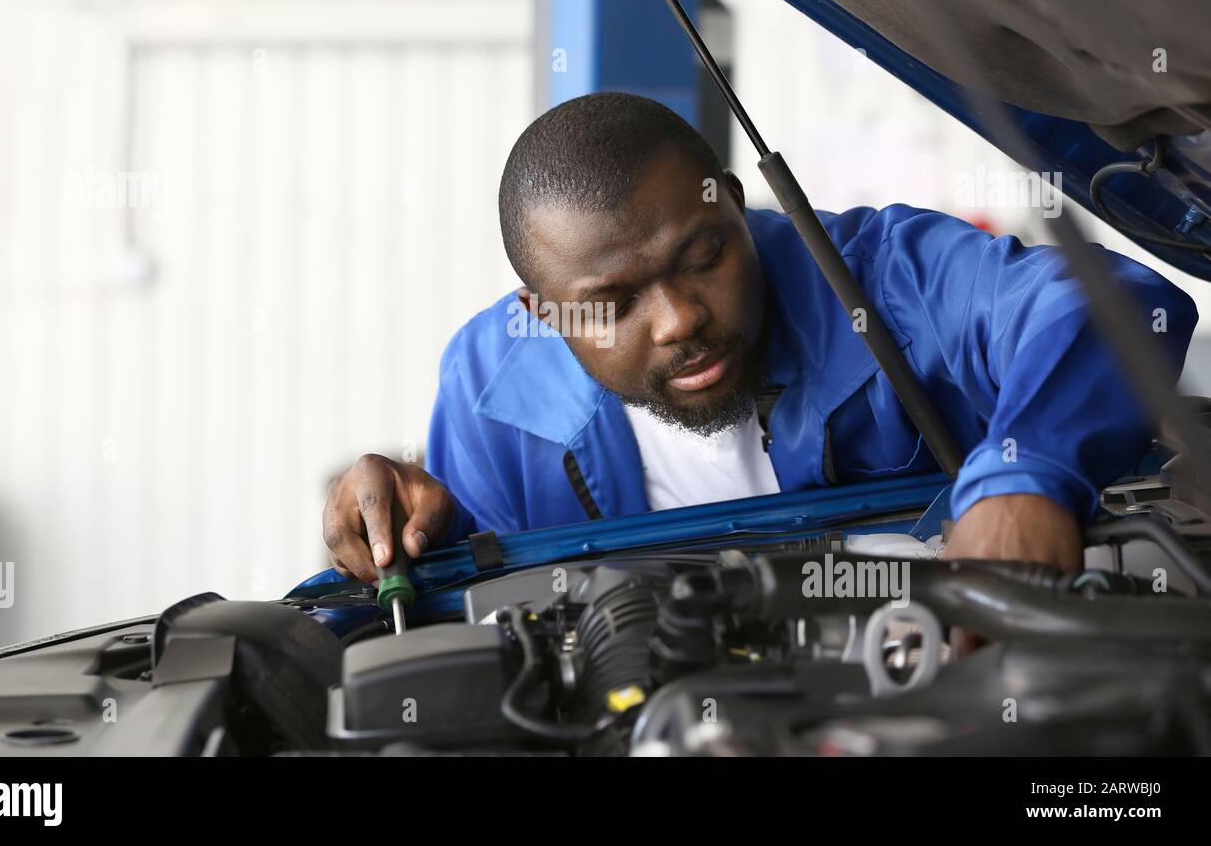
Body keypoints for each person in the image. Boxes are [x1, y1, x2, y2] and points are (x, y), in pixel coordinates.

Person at [320, 92, 1196, 586]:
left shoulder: (881, 279)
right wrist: (413, 526)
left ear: (735, 207)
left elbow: (1119, 306)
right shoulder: (491, 396)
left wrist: (1028, 474)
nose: (678, 320)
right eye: (614, 303)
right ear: (547, 315)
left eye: (701, 258)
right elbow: (491, 597)